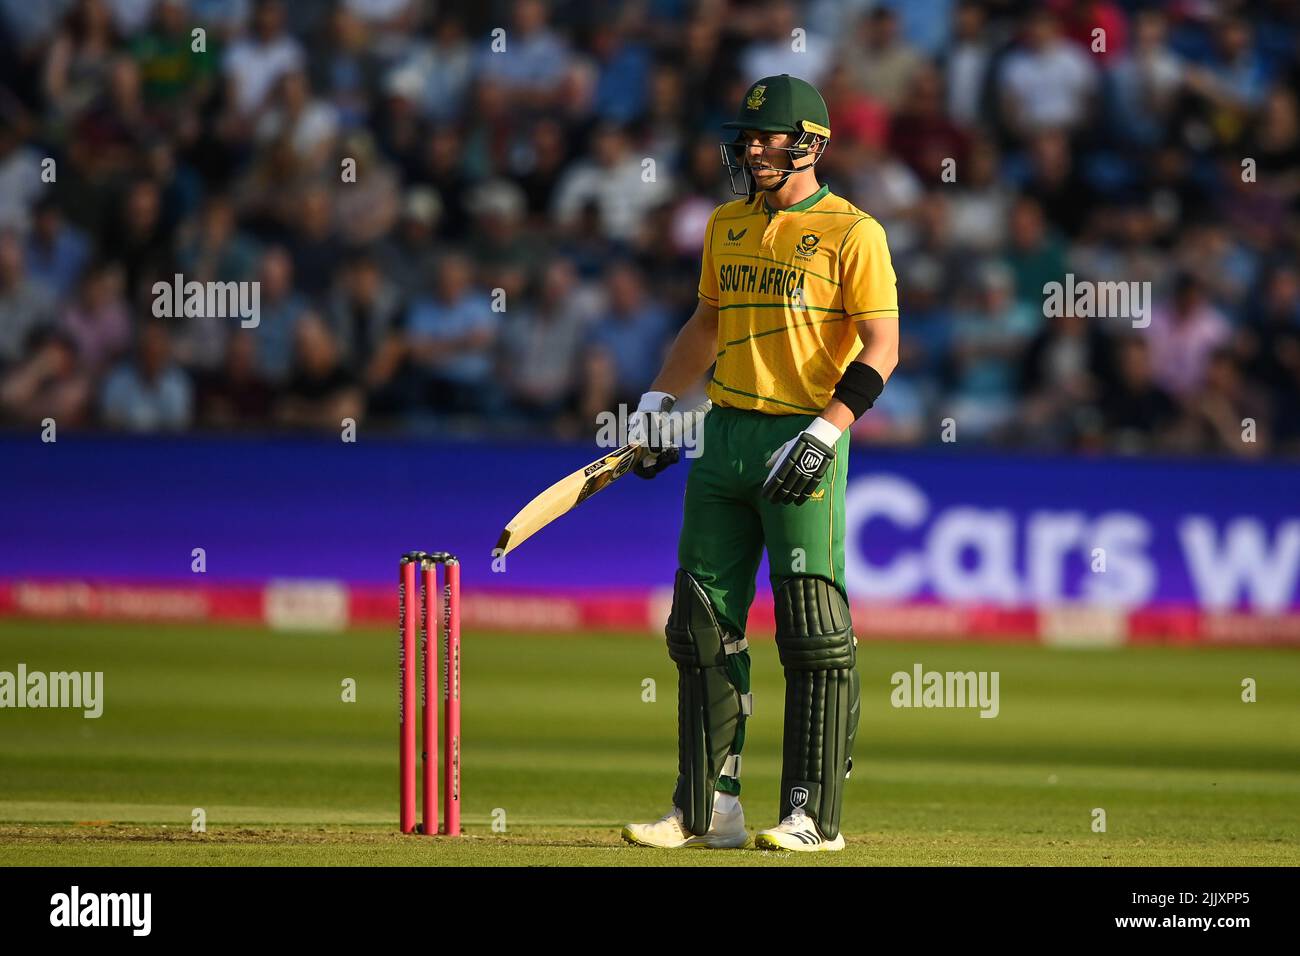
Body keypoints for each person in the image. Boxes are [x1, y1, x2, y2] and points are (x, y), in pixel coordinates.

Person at [620, 75, 899, 853]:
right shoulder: (725, 224)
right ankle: (707, 810)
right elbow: (706, 325)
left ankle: (814, 817)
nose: (750, 149)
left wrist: (828, 433)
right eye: (746, 138)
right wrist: (654, 403)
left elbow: (884, 347)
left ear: (810, 142)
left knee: (812, 630)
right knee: (699, 626)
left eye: (766, 138)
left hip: (800, 438)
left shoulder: (854, 232)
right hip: (724, 437)